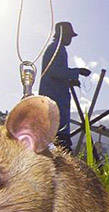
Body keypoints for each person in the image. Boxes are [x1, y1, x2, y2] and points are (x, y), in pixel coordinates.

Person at [38, 21, 91, 152]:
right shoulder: (57, 48)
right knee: (61, 144)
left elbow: (57, 73)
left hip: (56, 100)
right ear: (62, 34)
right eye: (69, 36)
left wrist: (70, 80)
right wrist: (77, 72)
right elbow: (54, 71)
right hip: (54, 102)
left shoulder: (56, 48)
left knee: (57, 142)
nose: (70, 39)